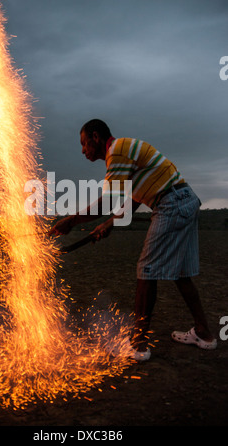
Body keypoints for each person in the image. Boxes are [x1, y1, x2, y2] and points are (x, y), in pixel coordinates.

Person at [49, 119, 217, 361]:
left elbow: (107, 202)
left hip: (171, 204)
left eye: (84, 144)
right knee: (180, 272)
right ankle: (203, 333)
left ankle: (138, 346)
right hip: (185, 200)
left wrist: (70, 221)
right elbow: (137, 197)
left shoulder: (116, 152)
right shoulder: (125, 152)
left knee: (146, 270)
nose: (83, 150)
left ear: (96, 137)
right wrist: (110, 224)